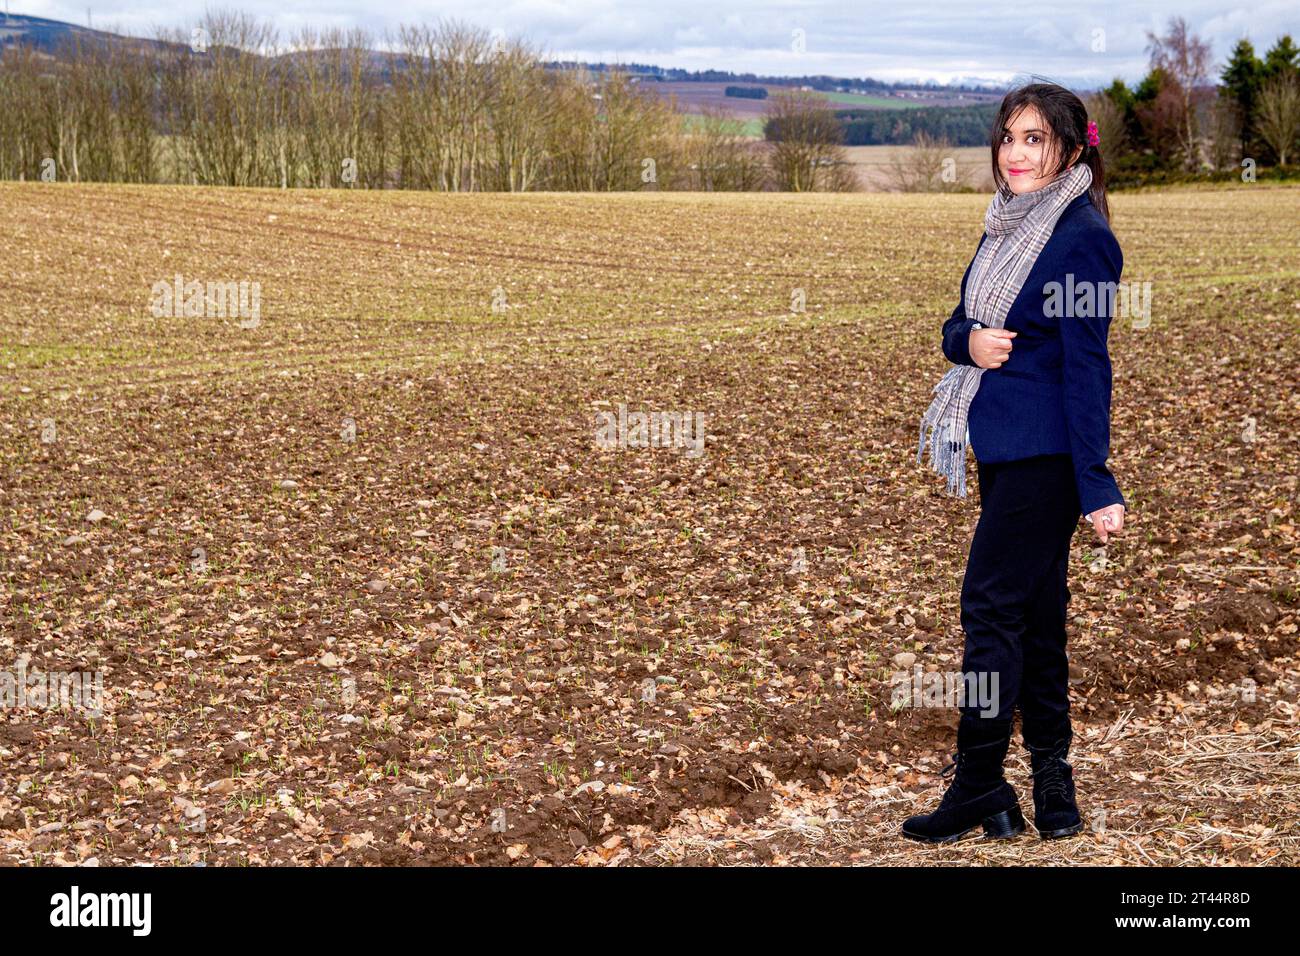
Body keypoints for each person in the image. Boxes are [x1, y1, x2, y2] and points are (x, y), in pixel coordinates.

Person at [906, 81, 1127, 843]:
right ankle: (1052, 792)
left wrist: (1096, 481)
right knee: (1034, 614)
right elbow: (960, 322)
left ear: (1070, 147)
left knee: (989, 608)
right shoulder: (1004, 226)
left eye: (1033, 138)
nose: (1015, 152)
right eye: (1008, 137)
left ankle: (977, 785)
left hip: (1049, 457)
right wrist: (963, 344)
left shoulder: (1078, 237)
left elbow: (1088, 367)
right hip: (999, 445)